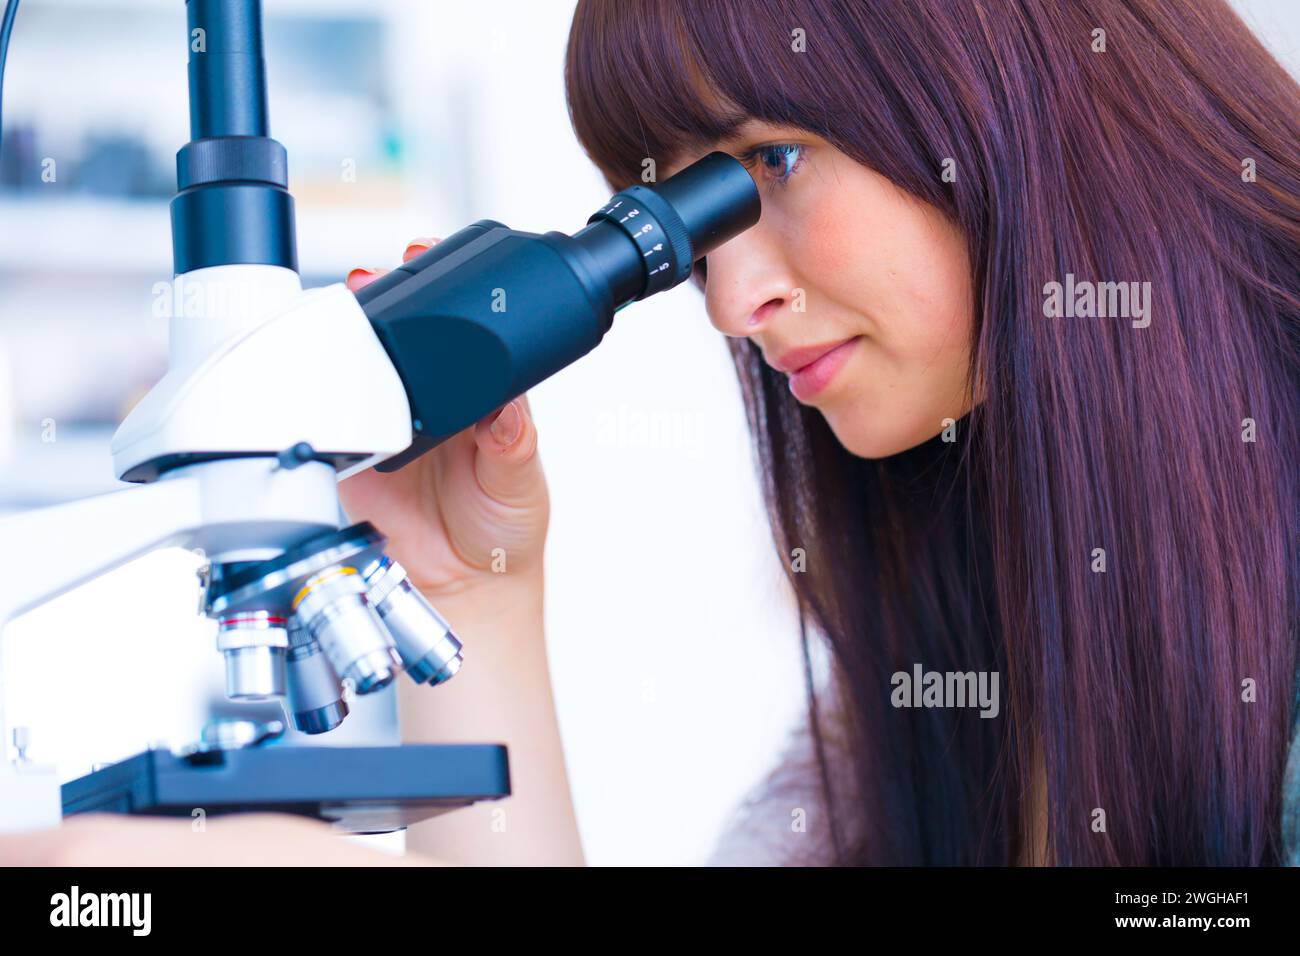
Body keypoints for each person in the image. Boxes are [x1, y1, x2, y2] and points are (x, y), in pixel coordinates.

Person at [4, 0, 1298, 866]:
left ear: (1011, 92)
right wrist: (474, 593)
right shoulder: (935, 665)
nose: (734, 301)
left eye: (770, 163)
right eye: (689, 209)